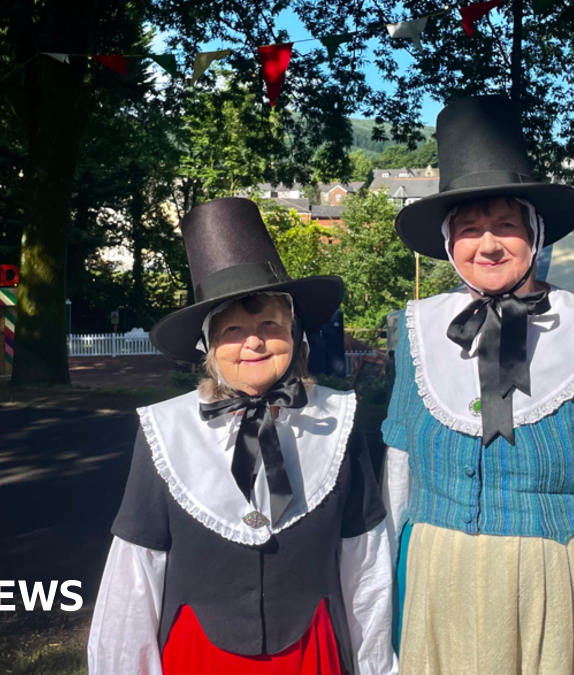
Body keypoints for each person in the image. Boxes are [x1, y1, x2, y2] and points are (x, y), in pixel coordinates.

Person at [384, 97, 574, 675]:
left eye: (505, 225)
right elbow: (398, 467)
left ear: (533, 232)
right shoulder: (416, 329)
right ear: (449, 243)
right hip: (433, 570)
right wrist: (386, 591)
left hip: (548, 580)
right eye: (469, 229)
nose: (488, 245)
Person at [88, 197, 396, 675]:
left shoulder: (339, 421)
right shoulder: (166, 432)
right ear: (209, 347)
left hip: (311, 652)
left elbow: (364, 558)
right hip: (200, 656)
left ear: (295, 335)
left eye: (269, 324)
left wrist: (375, 665)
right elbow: (136, 571)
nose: (253, 341)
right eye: (232, 329)